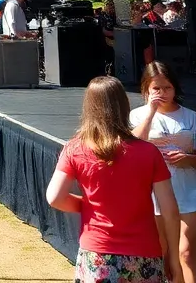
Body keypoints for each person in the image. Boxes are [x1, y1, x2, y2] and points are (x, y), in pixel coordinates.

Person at [47, 76, 181, 283]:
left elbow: (55, 197)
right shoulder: (149, 152)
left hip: (97, 255)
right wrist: (174, 257)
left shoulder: (75, 148)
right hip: (144, 254)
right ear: (124, 106)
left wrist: (88, 205)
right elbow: (169, 210)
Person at [131, 62, 196, 283]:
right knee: (162, 251)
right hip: (154, 195)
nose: (162, 93)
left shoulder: (192, 118)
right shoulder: (136, 116)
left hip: (189, 192)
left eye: (167, 88)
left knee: (187, 252)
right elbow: (132, 147)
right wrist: (151, 112)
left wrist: (189, 159)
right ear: (146, 90)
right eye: (156, 88)